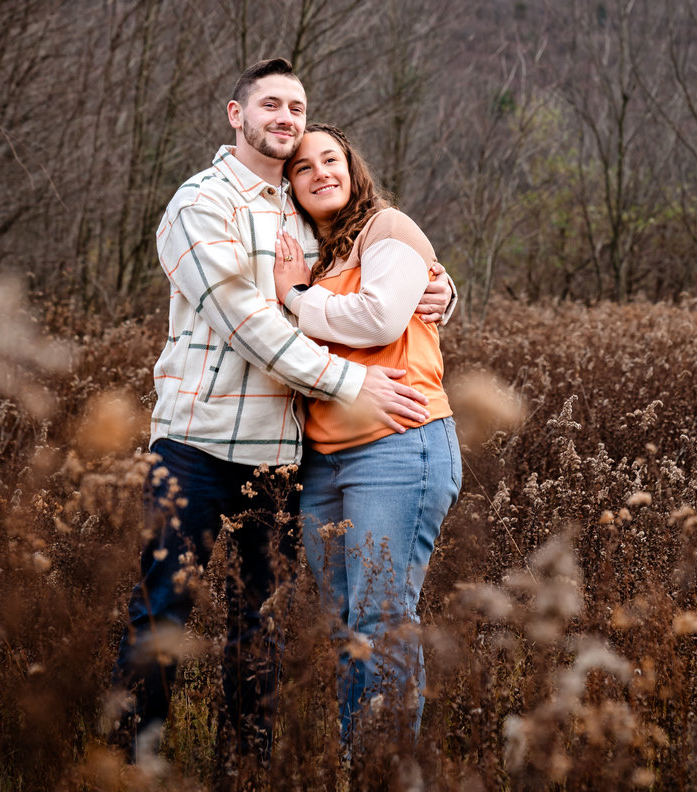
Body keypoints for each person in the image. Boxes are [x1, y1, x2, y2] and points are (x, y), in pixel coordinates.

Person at [110, 58, 454, 772]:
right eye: (270, 105)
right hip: (197, 448)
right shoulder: (201, 205)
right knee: (161, 613)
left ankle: (247, 767)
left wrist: (442, 287)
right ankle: (128, 766)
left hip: (283, 458)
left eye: (296, 108)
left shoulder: (306, 211)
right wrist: (350, 381)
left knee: (259, 627)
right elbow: (248, 324)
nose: (285, 119)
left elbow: (376, 272)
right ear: (237, 115)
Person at [271, 123, 462, 751]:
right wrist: (303, 289)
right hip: (323, 461)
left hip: (399, 445)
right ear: (291, 187)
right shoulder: (311, 251)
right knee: (344, 624)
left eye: (332, 159)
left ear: (353, 168)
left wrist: (298, 299)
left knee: (381, 620)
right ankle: (362, 760)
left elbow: (381, 316)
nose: (321, 172)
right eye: (303, 167)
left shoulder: (387, 228)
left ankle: (387, 766)